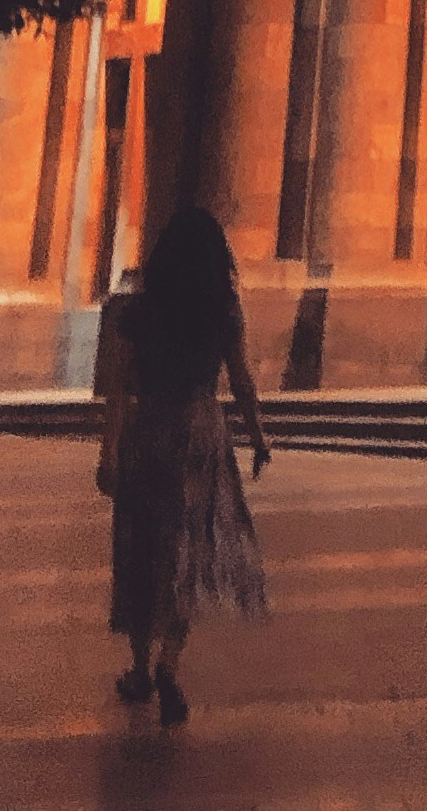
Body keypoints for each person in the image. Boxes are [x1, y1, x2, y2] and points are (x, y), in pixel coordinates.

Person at [99, 206, 267, 725]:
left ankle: (139, 668)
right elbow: (240, 380)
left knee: (143, 546)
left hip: (150, 427)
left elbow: (120, 387)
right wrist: (259, 437)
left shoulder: (140, 311)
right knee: (187, 552)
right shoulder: (223, 309)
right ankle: (171, 663)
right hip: (200, 430)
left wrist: (108, 450)